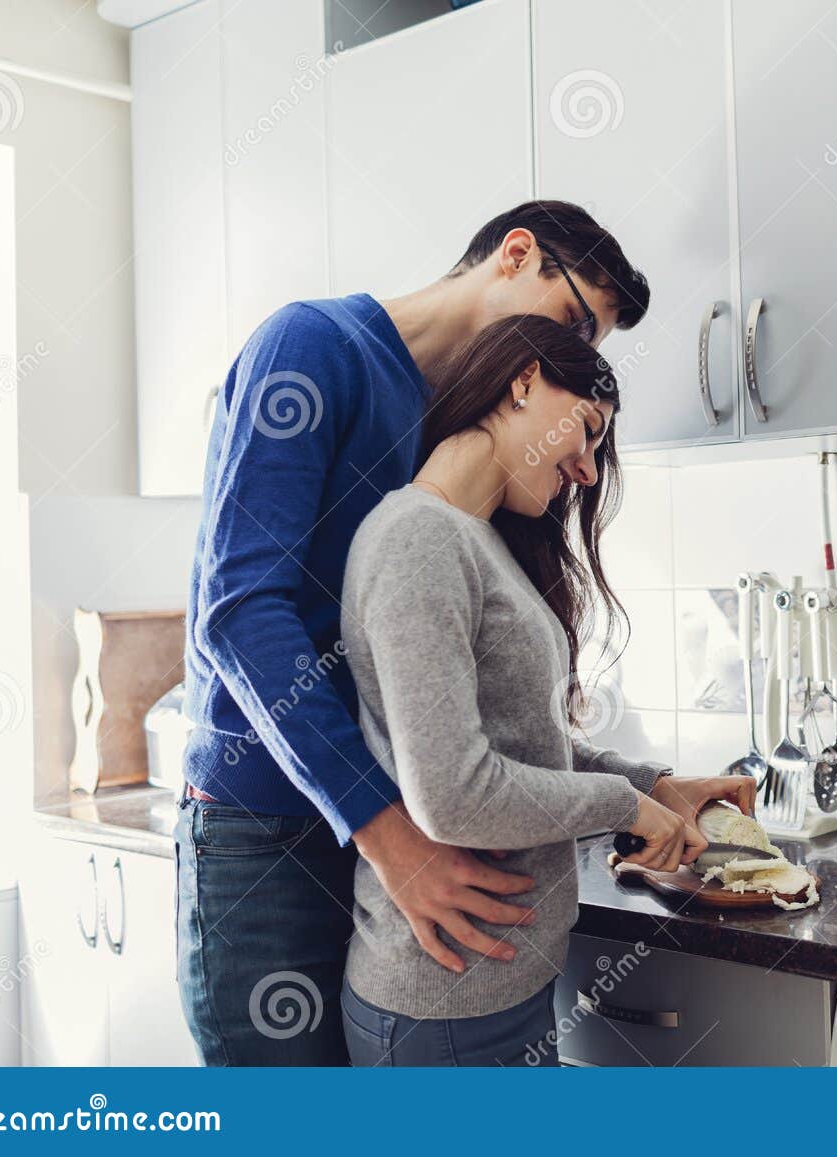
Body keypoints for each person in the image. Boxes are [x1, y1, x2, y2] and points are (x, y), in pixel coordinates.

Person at [177, 201, 746, 1065]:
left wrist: (652, 782)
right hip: (270, 829)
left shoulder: (446, 429)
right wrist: (392, 838)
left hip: (373, 833)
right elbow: (241, 610)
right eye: (571, 323)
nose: (571, 356)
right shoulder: (312, 348)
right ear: (516, 255)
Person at [337, 314, 754, 1066]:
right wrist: (628, 808)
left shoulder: (477, 538)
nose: (589, 468)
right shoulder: (419, 538)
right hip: (444, 1009)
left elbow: (526, 745)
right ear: (523, 380)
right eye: (588, 429)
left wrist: (657, 783)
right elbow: (456, 794)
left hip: (494, 992)